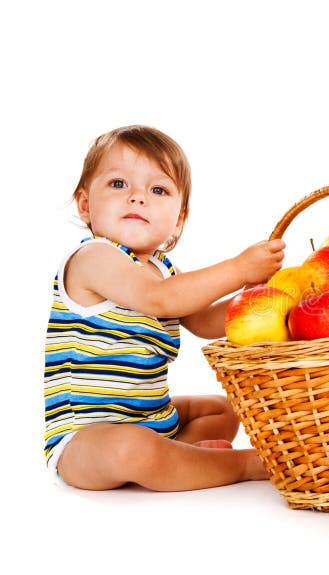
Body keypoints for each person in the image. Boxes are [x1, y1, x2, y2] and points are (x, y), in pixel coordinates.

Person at [44, 125, 286, 491]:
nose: (137, 198)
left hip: (152, 418)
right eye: (118, 184)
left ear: (179, 220)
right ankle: (239, 465)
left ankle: (179, 458)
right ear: (84, 204)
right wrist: (239, 269)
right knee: (130, 447)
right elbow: (161, 299)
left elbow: (202, 320)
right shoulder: (93, 257)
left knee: (226, 409)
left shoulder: (164, 270)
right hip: (86, 438)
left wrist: (258, 297)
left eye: (157, 190)